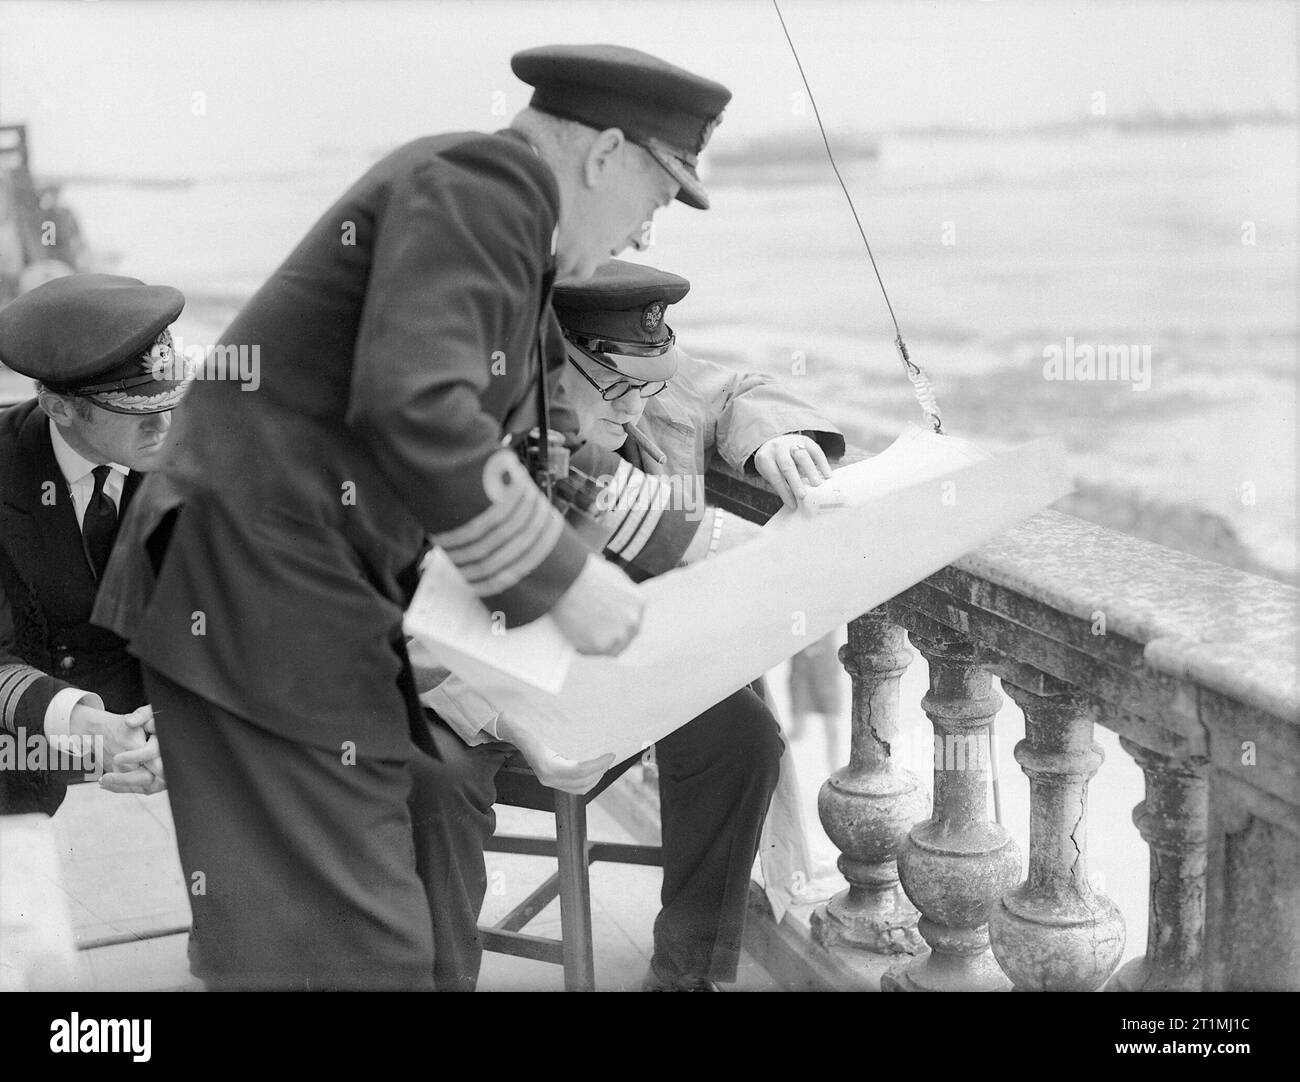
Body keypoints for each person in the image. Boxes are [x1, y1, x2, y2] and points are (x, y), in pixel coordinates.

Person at [94, 45, 732, 990]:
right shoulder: (490, 187)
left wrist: (720, 546)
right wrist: (562, 579)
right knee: (346, 945)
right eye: (657, 192)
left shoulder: (501, 239)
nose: (645, 232)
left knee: (321, 937)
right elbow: (416, 405)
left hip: (285, 597)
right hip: (259, 593)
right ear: (604, 153)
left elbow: (522, 447)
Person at [414, 260, 845, 990]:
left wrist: (769, 437)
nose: (637, 412)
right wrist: (521, 727)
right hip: (461, 691)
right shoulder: (470, 447)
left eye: (648, 387)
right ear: (544, 368)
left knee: (741, 736)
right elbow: (418, 640)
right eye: (616, 389)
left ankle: (687, 973)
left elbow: (735, 388)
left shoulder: (644, 395)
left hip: (605, 683)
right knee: (433, 781)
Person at [0, 273, 176, 815]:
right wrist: (80, 722)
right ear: (60, 408)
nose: (163, 425)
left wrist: (186, 726)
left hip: (167, 756)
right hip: (23, 767)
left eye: (169, 399)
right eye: (137, 411)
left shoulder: (203, 460)